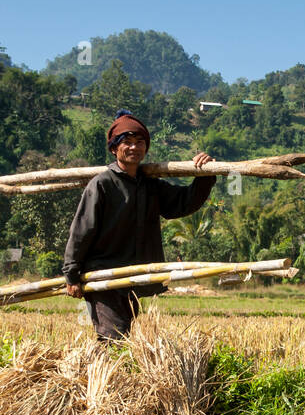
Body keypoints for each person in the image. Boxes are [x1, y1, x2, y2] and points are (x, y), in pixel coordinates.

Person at [62, 110, 215, 340]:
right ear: (114, 149)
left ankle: (107, 373)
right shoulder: (102, 184)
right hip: (104, 275)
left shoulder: (150, 186)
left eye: (139, 142)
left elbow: (182, 204)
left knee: (121, 335)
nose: (134, 147)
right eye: (127, 143)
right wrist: (72, 274)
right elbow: (82, 230)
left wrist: (205, 175)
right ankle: (100, 375)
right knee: (113, 336)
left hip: (134, 275)